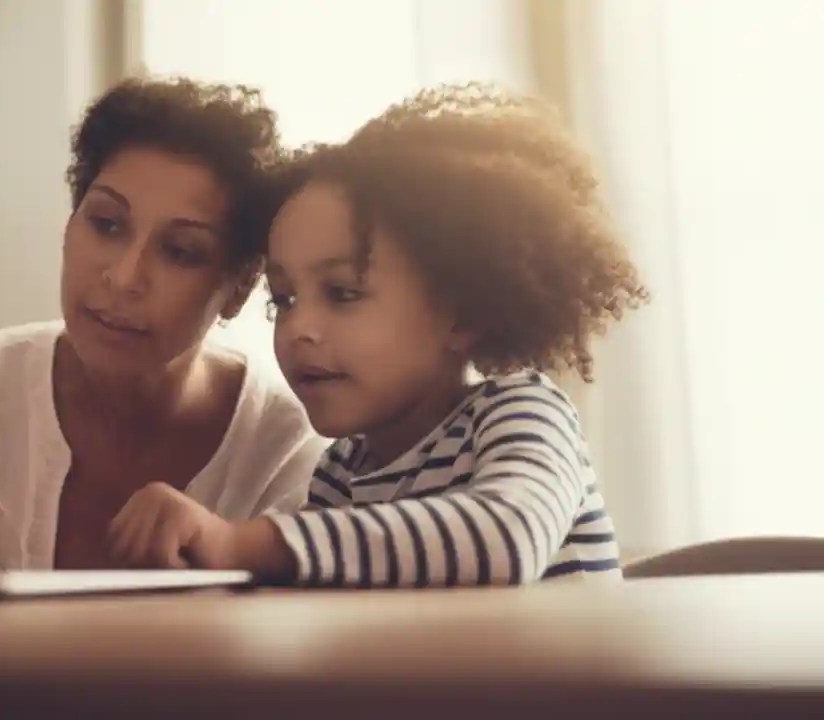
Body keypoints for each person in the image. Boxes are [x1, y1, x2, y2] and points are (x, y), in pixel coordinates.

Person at [107, 82, 649, 587]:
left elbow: (507, 536)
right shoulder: (342, 470)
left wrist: (240, 542)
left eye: (342, 293)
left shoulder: (518, 412)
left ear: (459, 312)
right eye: (285, 299)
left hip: (574, 693)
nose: (299, 329)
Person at [0, 78, 326, 571]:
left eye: (180, 251)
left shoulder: (287, 456)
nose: (123, 277)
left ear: (240, 287)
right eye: (106, 223)